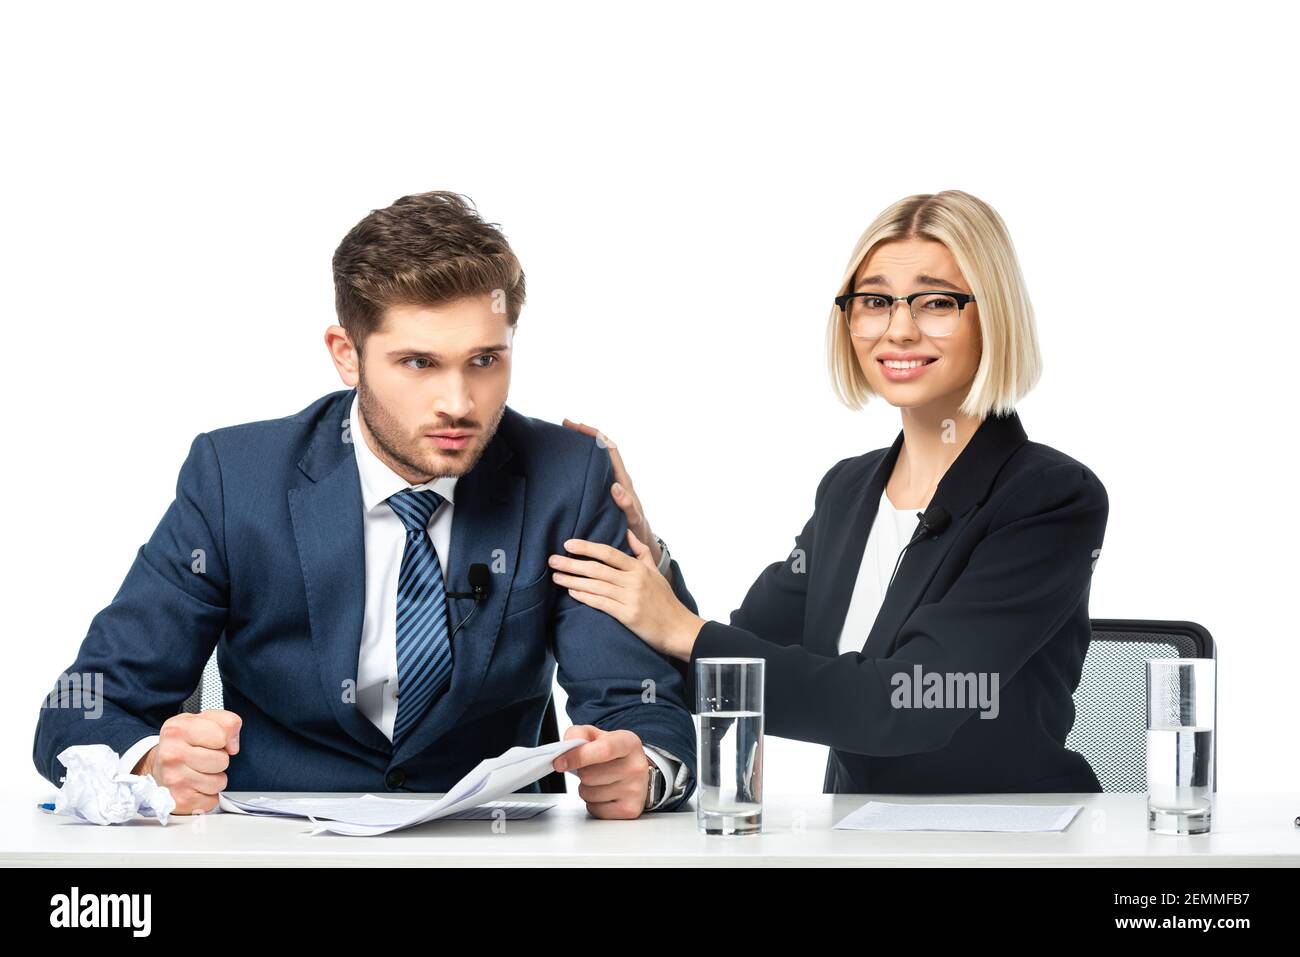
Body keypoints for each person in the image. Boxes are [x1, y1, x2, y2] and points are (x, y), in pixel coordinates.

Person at [34, 191, 698, 817]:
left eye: (484, 360)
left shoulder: (568, 478)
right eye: (418, 363)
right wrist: (148, 761)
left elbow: (641, 704)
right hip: (277, 850)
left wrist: (644, 765)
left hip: (492, 847)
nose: (459, 403)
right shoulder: (235, 477)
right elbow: (82, 704)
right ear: (346, 355)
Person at [549, 190, 1108, 793]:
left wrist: (682, 630)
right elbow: (735, 655)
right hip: (853, 838)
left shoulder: (1049, 497)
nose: (899, 329)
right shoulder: (849, 489)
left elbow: (907, 704)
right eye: (875, 301)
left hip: (1011, 842)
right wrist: (647, 554)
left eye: (937, 302)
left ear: (992, 315)